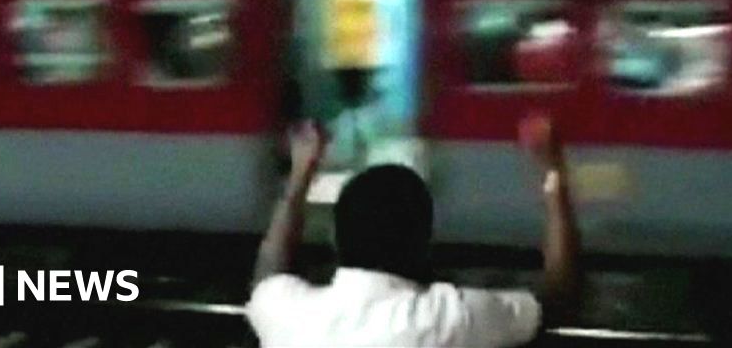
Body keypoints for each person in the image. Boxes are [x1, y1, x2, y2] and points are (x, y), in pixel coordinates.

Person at [247, 116, 581, 347]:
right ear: (423, 243)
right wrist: (552, 171)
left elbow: (269, 269)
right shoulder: (449, 318)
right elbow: (559, 295)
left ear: (336, 239)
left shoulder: (288, 314)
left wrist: (300, 174)